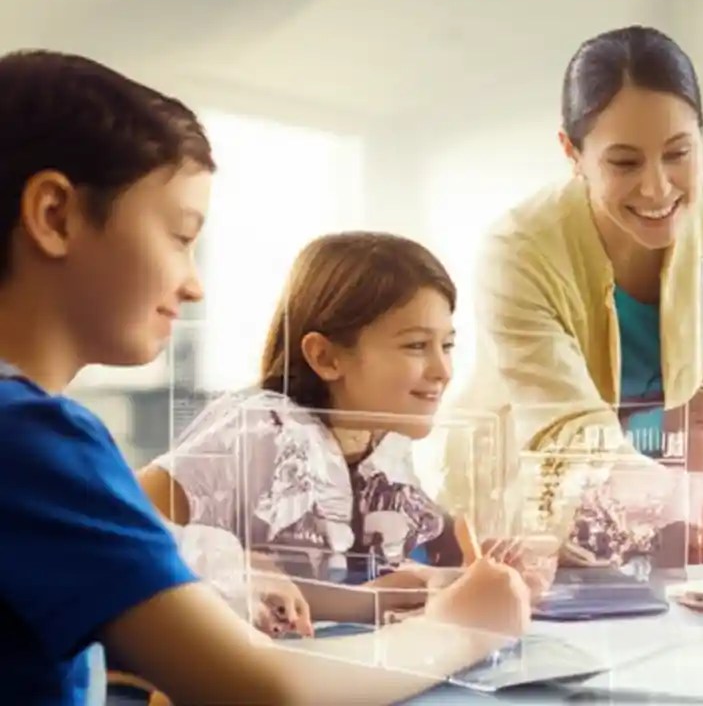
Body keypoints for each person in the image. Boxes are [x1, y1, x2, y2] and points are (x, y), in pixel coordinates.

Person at [0, 48, 529, 705]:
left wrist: (269, 580)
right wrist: (463, 630)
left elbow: (161, 555)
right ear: (54, 216)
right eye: (179, 236)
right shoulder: (32, 440)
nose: (193, 284)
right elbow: (267, 691)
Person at [438, 25, 703, 558]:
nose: (657, 188)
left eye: (679, 152)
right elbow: (572, 441)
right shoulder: (517, 250)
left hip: (642, 518)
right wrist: (693, 499)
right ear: (571, 151)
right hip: (508, 524)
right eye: (624, 162)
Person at [136, 231, 548, 637]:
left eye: (448, 345)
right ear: (326, 357)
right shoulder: (262, 430)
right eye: (417, 346)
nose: (442, 370)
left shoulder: (382, 444)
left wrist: (501, 561)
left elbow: (442, 547)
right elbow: (122, 525)